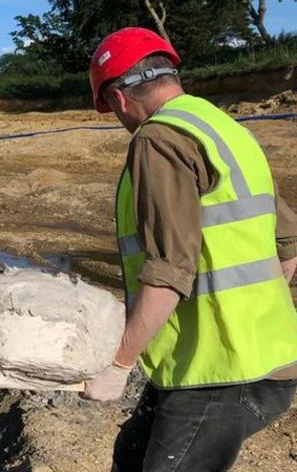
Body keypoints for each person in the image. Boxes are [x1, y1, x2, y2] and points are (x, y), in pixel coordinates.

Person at [82, 27, 297, 471]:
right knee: (132, 455)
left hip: (219, 370)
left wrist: (120, 363)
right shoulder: (223, 127)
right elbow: (289, 247)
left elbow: (168, 271)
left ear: (119, 99)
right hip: (265, 357)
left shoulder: (157, 139)